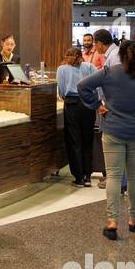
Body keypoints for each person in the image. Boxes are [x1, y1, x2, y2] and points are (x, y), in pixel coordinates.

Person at [77, 41, 135, 241]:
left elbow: (83, 86)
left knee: (114, 177)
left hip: (113, 131)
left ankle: (112, 222)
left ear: (121, 56)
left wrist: (98, 104)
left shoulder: (109, 73)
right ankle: (134, 220)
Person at [57, 45, 95, 187]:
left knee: (74, 141)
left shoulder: (62, 69)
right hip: (88, 104)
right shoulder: (90, 67)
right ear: (81, 56)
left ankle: (78, 177)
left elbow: (60, 91)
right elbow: (97, 84)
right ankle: (88, 177)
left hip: (72, 104)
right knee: (88, 139)